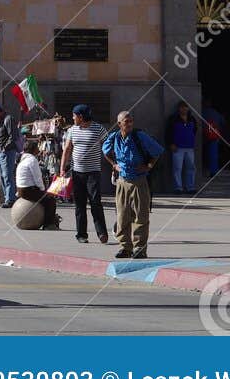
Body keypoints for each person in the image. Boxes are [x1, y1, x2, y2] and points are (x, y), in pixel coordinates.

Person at [101, 110, 164, 260]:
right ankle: (125, 247)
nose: (129, 124)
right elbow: (105, 151)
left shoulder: (139, 136)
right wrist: (114, 165)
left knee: (140, 215)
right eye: (126, 121)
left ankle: (140, 248)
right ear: (119, 124)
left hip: (139, 181)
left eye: (131, 121)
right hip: (122, 181)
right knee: (122, 216)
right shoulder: (114, 137)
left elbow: (157, 151)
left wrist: (148, 166)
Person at [60, 104, 108, 245]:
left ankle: (102, 233)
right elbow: (67, 149)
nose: (72, 118)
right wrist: (62, 169)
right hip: (77, 173)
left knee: (95, 203)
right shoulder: (72, 130)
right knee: (79, 205)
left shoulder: (98, 129)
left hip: (93, 173)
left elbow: (108, 146)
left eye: (74, 116)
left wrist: (114, 164)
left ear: (81, 117)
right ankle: (81, 234)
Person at [16, 142, 60, 229]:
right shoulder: (32, 160)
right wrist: (44, 190)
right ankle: (48, 224)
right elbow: (38, 178)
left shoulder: (22, 160)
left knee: (45, 198)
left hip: (20, 190)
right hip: (28, 190)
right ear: (33, 150)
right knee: (50, 200)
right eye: (37, 148)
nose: (39, 150)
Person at [0, 103, 18, 208]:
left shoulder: (8, 119)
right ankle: (7, 197)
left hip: (7, 152)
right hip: (0, 152)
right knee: (2, 176)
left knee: (7, 176)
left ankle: (10, 199)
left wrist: (4, 147)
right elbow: (0, 136)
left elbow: (12, 136)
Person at [169, 101, 198, 194]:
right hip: (177, 148)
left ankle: (190, 187)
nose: (184, 109)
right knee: (177, 168)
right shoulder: (173, 119)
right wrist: (171, 143)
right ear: (178, 108)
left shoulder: (192, 119)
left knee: (191, 168)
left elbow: (195, 130)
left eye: (185, 107)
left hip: (189, 147)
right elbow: (168, 132)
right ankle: (178, 188)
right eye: (182, 107)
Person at [202, 104, 224, 177]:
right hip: (214, 136)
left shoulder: (203, 112)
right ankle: (213, 170)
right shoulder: (216, 113)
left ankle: (204, 169)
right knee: (213, 154)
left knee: (204, 153)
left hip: (203, 136)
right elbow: (223, 123)